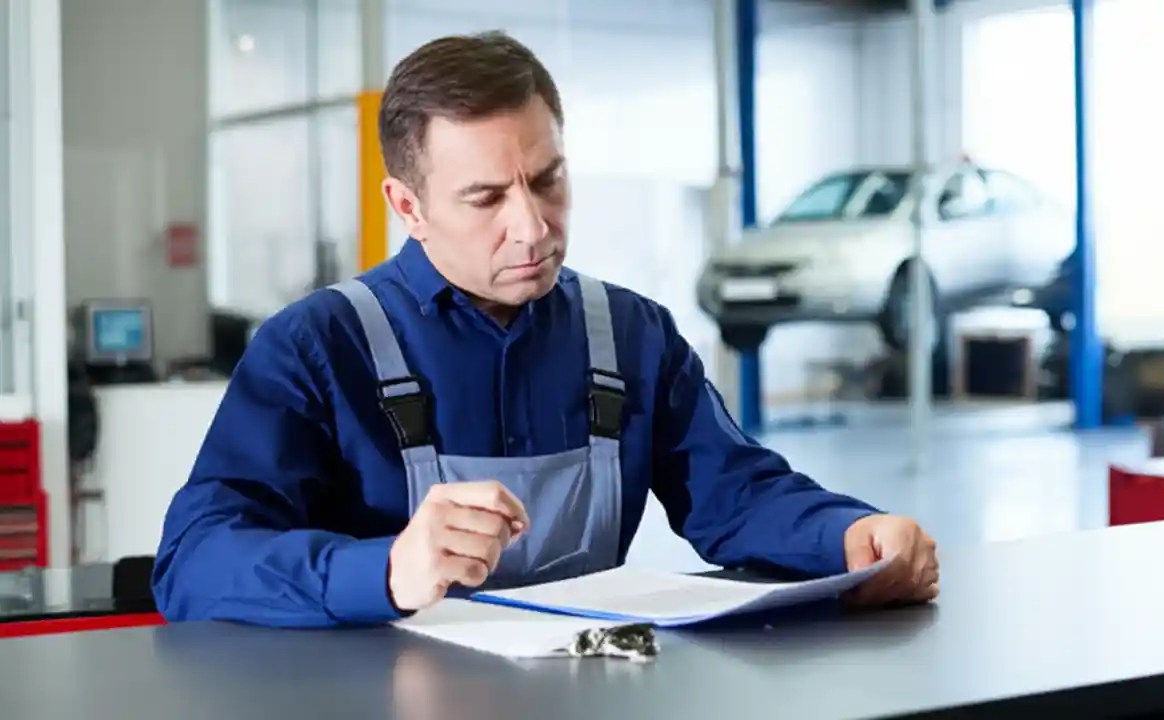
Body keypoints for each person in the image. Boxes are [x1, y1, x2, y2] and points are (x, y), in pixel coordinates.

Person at [152, 31, 939, 628]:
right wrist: (384, 570)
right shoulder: (315, 347)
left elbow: (737, 494)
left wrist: (850, 535)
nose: (532, 227)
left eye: (548, 180)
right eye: (486, 197)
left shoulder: (631, 335)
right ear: (408, 207)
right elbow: (194, 562)